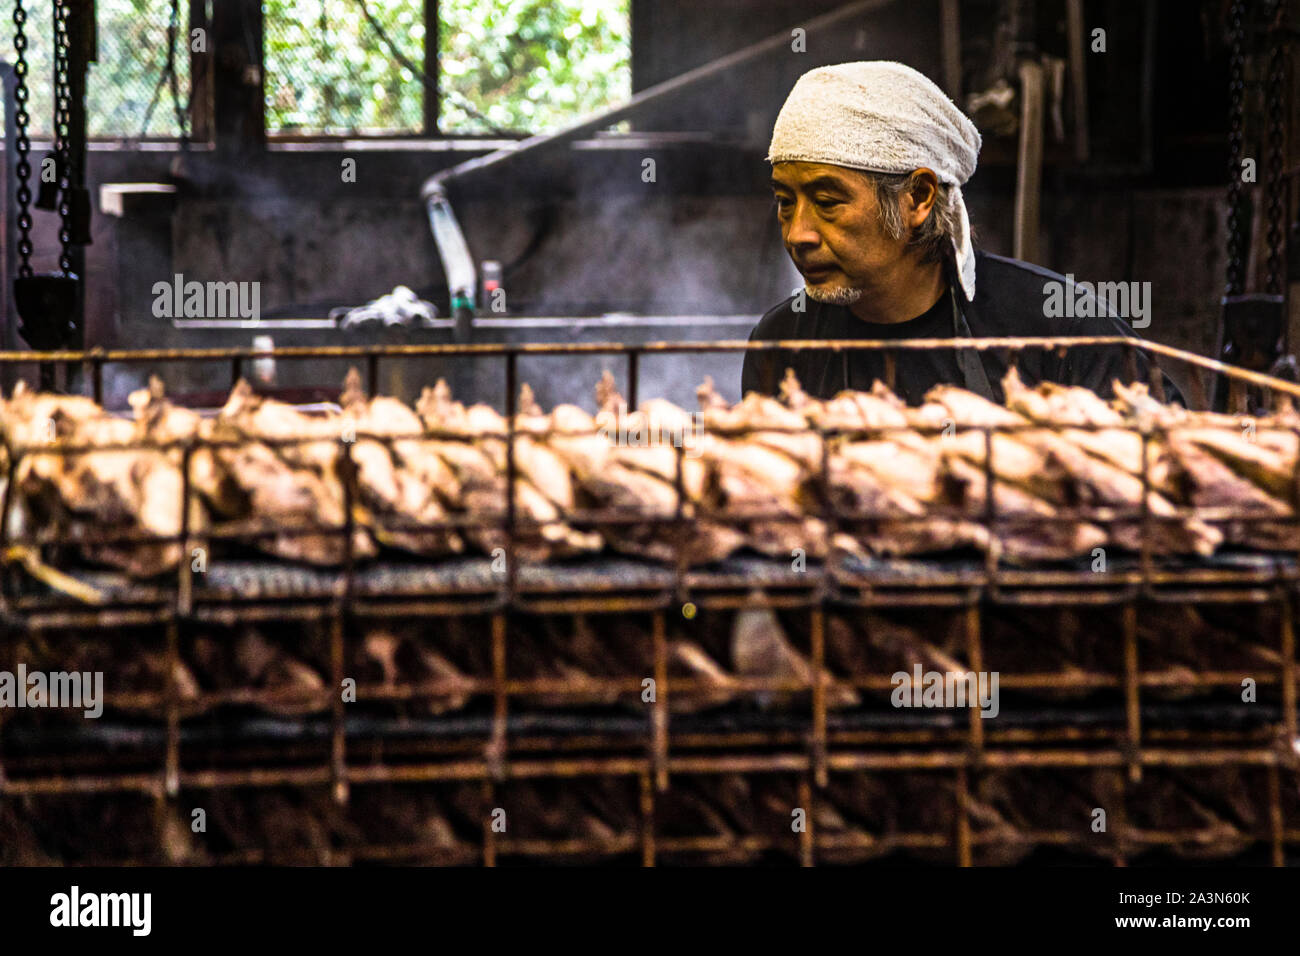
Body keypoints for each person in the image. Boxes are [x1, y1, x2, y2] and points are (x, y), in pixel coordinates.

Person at [743, 61, 1176, 405]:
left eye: (827, 202)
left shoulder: (1061, 329)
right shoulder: (783, 341)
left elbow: (1175, 472)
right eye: (785, 201)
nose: (798, 234)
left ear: (918, 197)